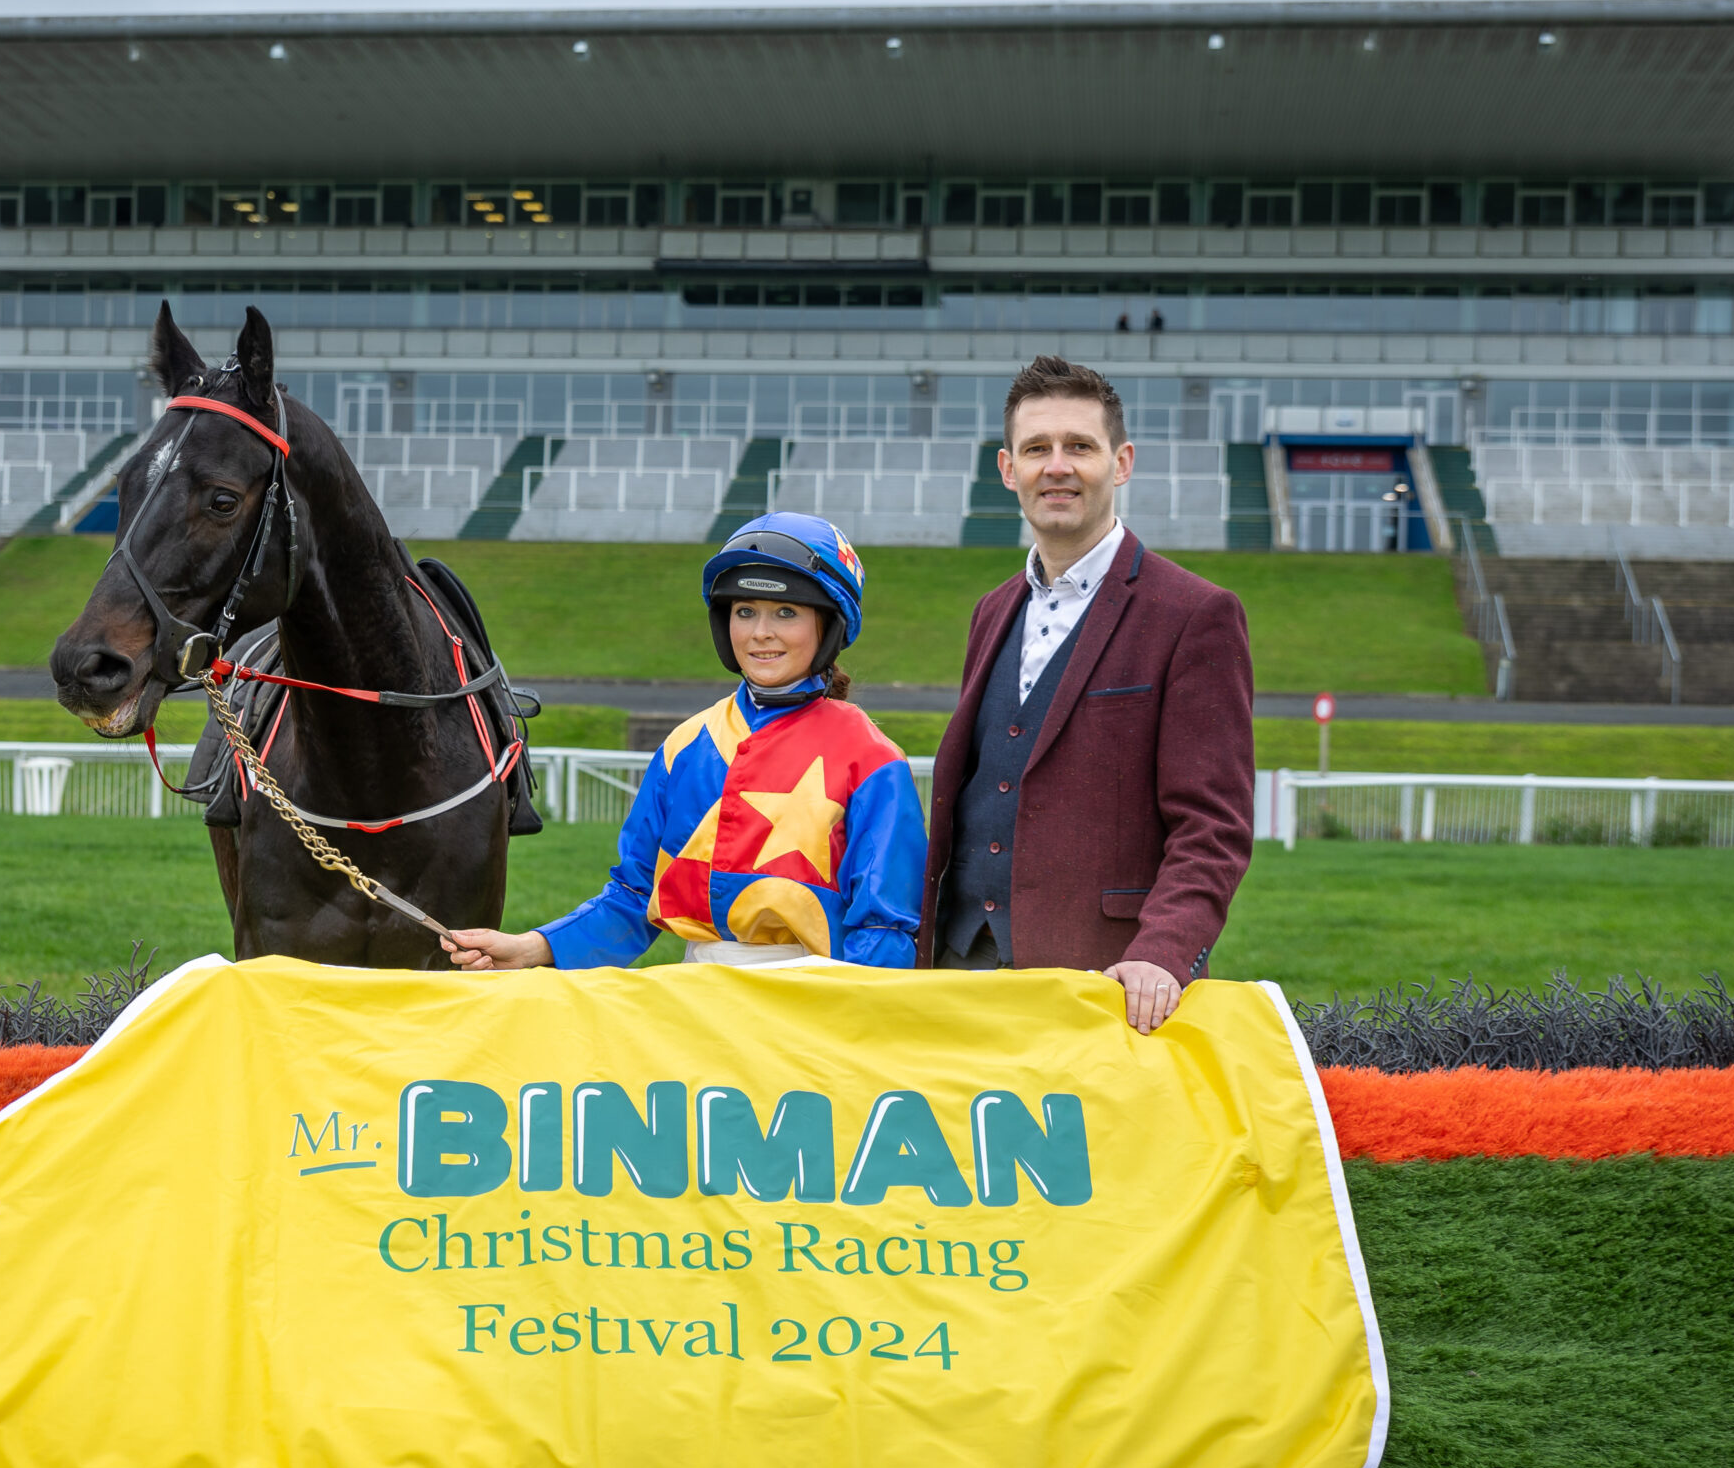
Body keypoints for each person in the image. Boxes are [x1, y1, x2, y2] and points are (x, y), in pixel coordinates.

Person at [920, 355, 1253, 1033]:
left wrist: (1163, 953)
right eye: (1037, 449)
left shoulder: (1195, 613)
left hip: (1110, 984)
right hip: (957, 972)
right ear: (1008, 469)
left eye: (1080, 446)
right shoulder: (991, 612)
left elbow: (1213, 827)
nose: (1058, 466)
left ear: (1121, 462)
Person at [448, 514, 926, 971]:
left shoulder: (871, 759)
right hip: (695, 1002)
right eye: (744, 612)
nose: (761, 633)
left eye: (786, 612)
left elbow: (885, 931)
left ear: (830, 627)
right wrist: (533, 946)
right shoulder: (686, 746)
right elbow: (635, 897)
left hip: (814, 1008)